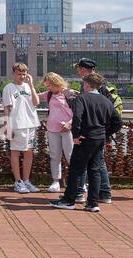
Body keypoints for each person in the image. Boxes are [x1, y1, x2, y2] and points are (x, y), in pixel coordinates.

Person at [52, 72, 122, 213]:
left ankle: (69, 200)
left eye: (84, 84)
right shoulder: (105, 100)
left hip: (84, 138)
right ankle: (92, 203)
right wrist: (106, 133)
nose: (83, 86)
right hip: (99, 139)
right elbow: (118, 122)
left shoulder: (82, 99)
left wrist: (76, 135)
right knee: (94, 170)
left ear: (88, 85)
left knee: (76, 169)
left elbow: (77, 117)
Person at [72, 59, 117, 206]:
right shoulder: (99, 85)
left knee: (87, 164)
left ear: (84, 69)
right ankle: (103, 194)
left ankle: (80, 193)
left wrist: (77, 134)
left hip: (91, 133)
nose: (78, 71)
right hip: (99, 133)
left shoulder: (96, 87)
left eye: (79, 68)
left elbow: (82, 113)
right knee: (98, 164)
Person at [2, 63, 42, 193]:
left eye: (24, 73)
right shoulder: (8, 88)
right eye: (19, 74)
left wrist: (31, 85)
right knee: (15, 152)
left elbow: (36, 102)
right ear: (13, 73)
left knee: (29, 152)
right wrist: (8, 126)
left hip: (30, 123)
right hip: (17, 124)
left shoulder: (28, 86)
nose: (22, 76)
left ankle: (26, 180)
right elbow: (7, 108)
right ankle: (18, 181)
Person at [41, 73, 74, 194]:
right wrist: (29, 84)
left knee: (71, 156)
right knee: (54, 156)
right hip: (52, 129)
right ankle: (55, 181)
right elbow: (34, 98)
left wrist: (70, 123)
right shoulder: (49, 94)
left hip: (67, 130)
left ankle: (79, 181)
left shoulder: (69, 93)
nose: (48, 88)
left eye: (49, 85)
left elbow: (79, 110)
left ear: (56, 83)